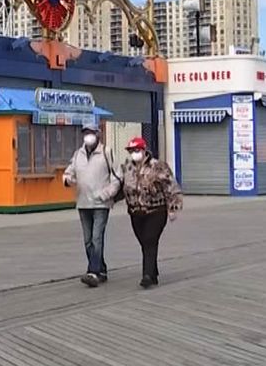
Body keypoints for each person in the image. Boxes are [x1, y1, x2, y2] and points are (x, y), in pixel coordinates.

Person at [120, 137, 182, 289]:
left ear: (143, 150)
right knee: (144, 242)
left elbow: (171, 186)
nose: (134, 154)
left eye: (136, 150)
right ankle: (152, 272)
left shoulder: (157, 166)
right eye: (131, 151)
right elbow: (119, 186)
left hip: (156, 210)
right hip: (136, 212)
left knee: (149, 240)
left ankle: (147, 275)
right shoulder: (126, 168)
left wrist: (173, 207)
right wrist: (107, 199)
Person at [63, 124, 120, 288]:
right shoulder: (78, 154)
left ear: (98, 134)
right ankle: (101, 269)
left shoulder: (106, 152)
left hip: (101, 203)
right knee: (88, 240)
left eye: (91, 133)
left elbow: (117, 177)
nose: (88, 136)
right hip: (83, 202)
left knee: (97, 237)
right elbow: (69, 172)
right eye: (85, 133)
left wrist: (107, 193)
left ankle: (93, 271)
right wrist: (67, 179)